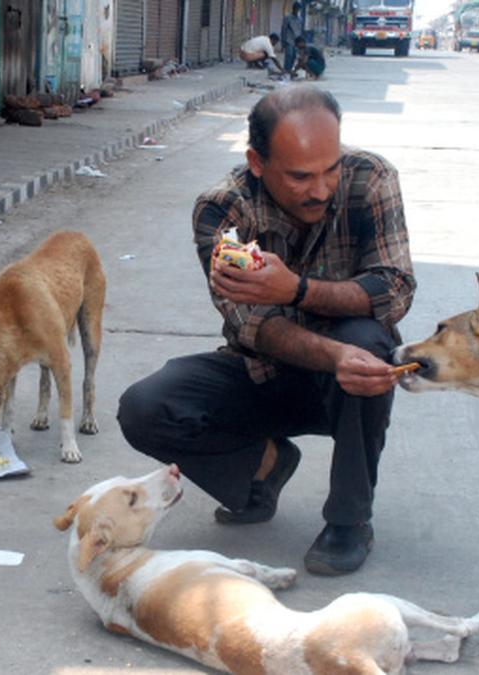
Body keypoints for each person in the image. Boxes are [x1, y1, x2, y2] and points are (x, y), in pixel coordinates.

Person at [118, 86, 416, 576]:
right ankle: (265, 468)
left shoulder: (371, 178)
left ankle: (348, 521)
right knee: (146, 408)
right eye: (300, 176)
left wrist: (295, 289)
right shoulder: (223, 212)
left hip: (348, 382)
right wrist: (324, 346)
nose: (320, 189)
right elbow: (251, 324)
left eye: (330, 168)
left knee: (368, 346)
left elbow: (395, 288)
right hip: (261, 371)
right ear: (257, 161)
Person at [281, 3, 305, 72]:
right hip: (289, 40)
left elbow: (300, 30)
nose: (297, 11)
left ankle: (289, 70)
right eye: (296, 9)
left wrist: (301, 41)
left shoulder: (300, 19)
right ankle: (286, 70)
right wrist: (283, 41)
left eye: (298, 10)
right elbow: (284, 29)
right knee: (289, 55)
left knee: (294, 56)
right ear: (293, 9)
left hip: (297, 41)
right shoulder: (287, 18)